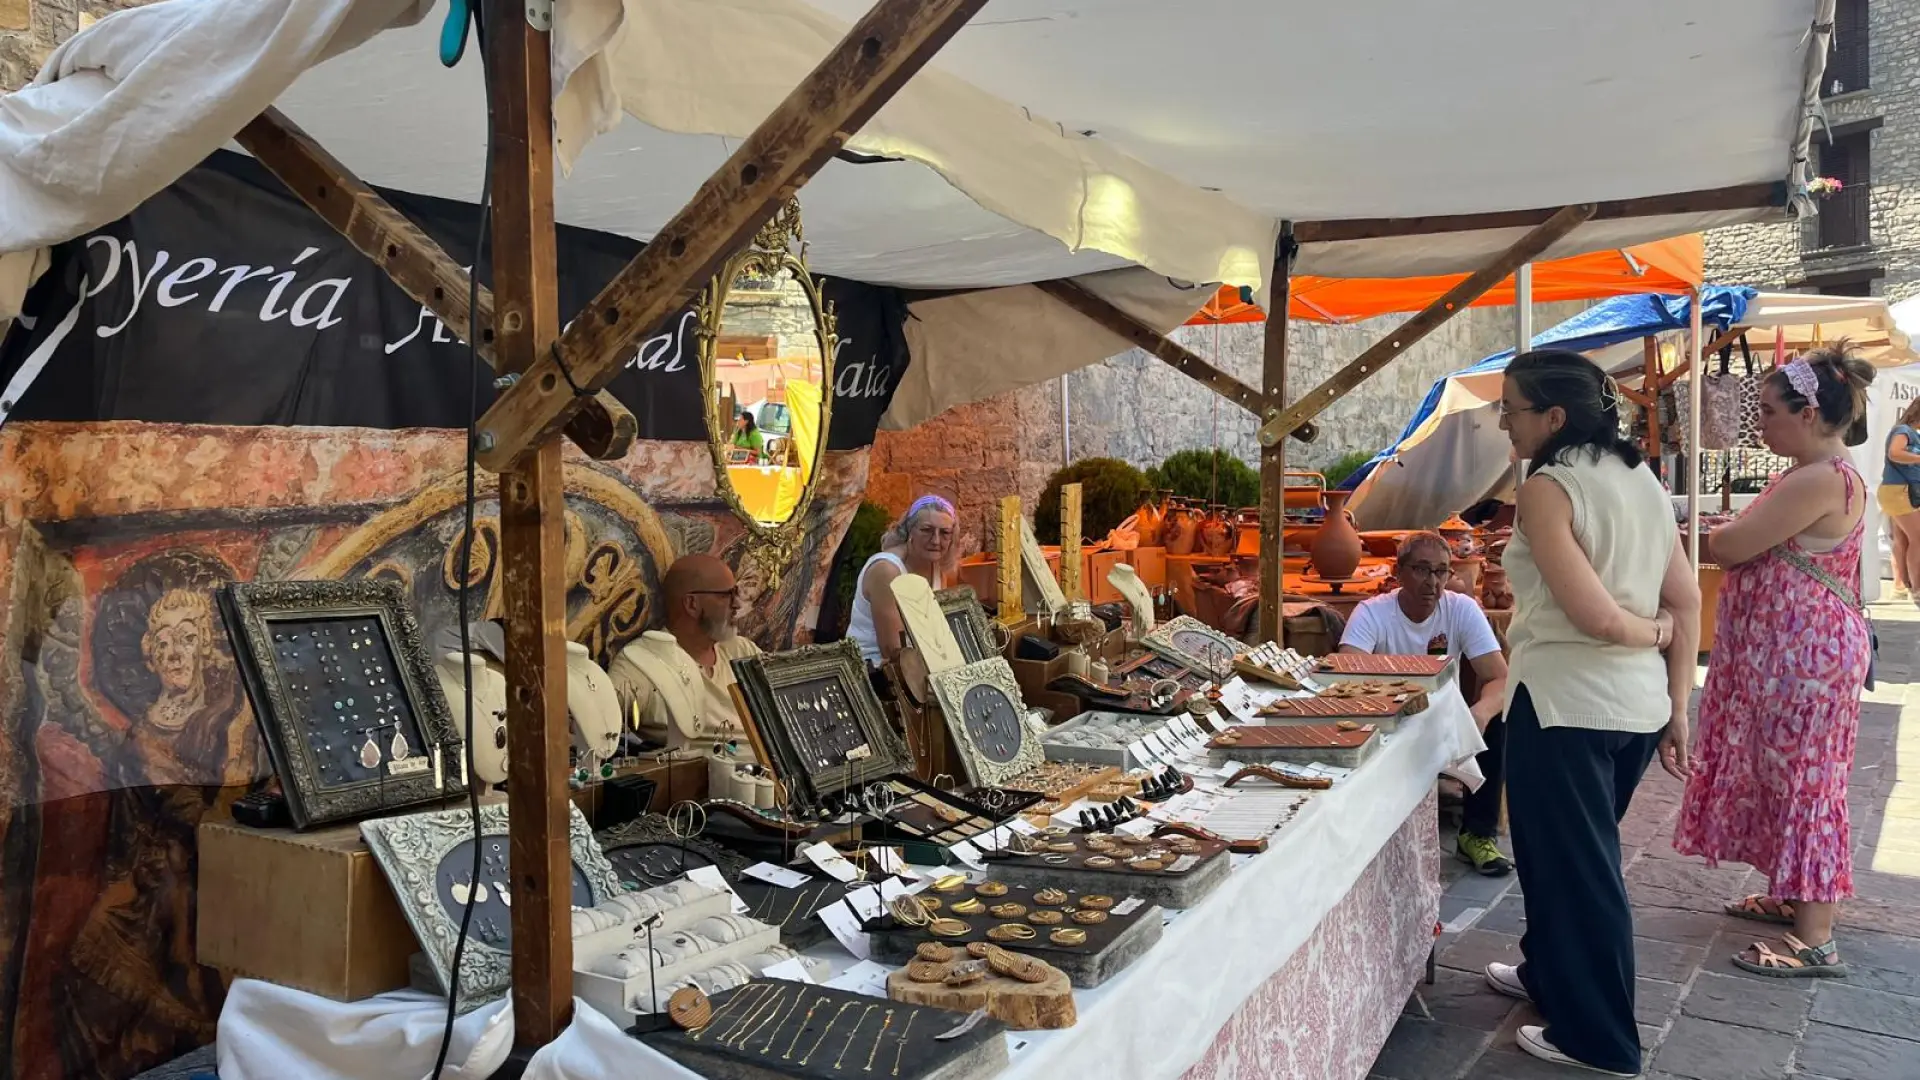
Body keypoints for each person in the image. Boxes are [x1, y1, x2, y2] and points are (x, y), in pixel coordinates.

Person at [1483, 349, 1700, 1077]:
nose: (1502, 422)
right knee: (1558, 859)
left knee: (1581, 872)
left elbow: (1601, 616)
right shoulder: (1638, 477)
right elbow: (1687, 596)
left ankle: (1600, 1039)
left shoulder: (1548, 487)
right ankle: (1549, 976)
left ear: (1552, 417)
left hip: (1566, 707)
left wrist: (1652, 635)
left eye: (1509, 409)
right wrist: (1676, 707)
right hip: (1630, 709)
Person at [1674, 346, 1876, 980]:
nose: (1760, 422)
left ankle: (1816, 938)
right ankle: (1795, 896)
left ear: (1809, 412)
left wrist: (1682, 527)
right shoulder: (1814, 472)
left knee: (1809, 785)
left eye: (1767, 410)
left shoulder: (1819, 477)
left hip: (1806, 659)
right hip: (1797, 656)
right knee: (1789, 778)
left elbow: (1732, 546)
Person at [1340, 532, 1512, 875]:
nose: (1432, 582)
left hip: (1443, 720)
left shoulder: (1461, 608)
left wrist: (1480, 712)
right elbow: (1347, 672)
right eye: (1421, 569)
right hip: (1388, 719)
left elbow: (1501, 678)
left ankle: (1477, 834)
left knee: (1500, 715)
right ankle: (1366, 833)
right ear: (1398, 572)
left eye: (1441, 571)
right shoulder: (1372, 613)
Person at [609, 554, 762, 751]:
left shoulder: (741, 650)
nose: (737, 604)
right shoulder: (642, 662)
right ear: (692, 604)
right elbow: (595, 718)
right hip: (711, 778)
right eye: (727, 595)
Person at [847, 495, 959, 667]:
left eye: (944, 533)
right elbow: (893, 651)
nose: (936, 540)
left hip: (921, 666)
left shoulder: (937, 569)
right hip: (873, 672)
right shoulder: (887, 570)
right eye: (927, 530)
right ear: (909, 530)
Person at [1878, 396, 1920, 601]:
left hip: (1897, 490)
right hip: (1901, 491)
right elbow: (1894, 453)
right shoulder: (1904, 431)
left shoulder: (1906, 431)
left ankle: (1901, 586)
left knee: (1902, 539)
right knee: (1917, 538)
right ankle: (1917, 589)